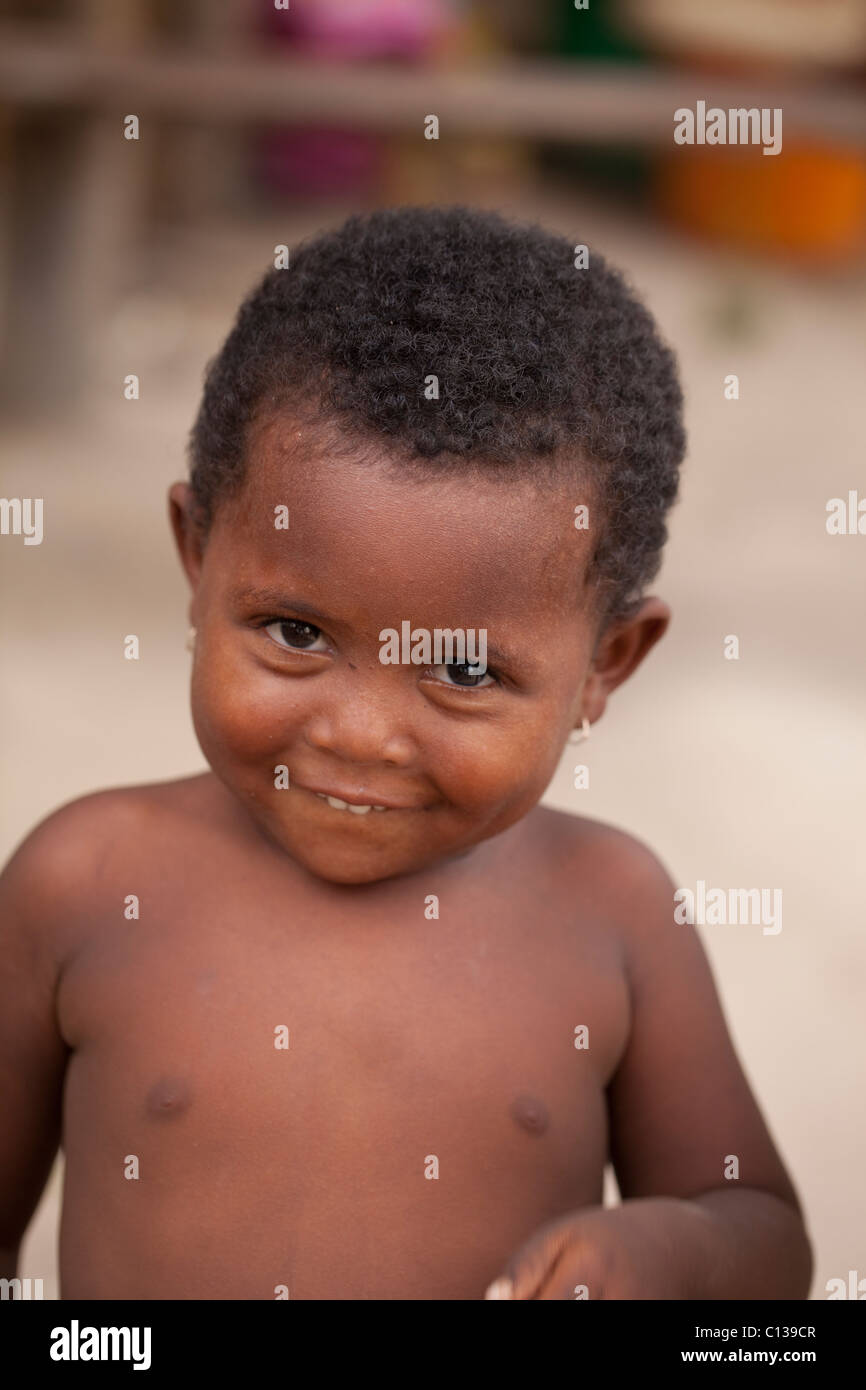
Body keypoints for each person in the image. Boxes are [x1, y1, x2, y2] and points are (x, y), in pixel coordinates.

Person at [0, 207, 812, 1299]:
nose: (359, 733)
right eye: (295, 634)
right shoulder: (82, 881)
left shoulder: (613, 911)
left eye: (465, 673)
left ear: (607, 664)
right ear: (197, 559)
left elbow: (758, 1226)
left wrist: (675, 1252)